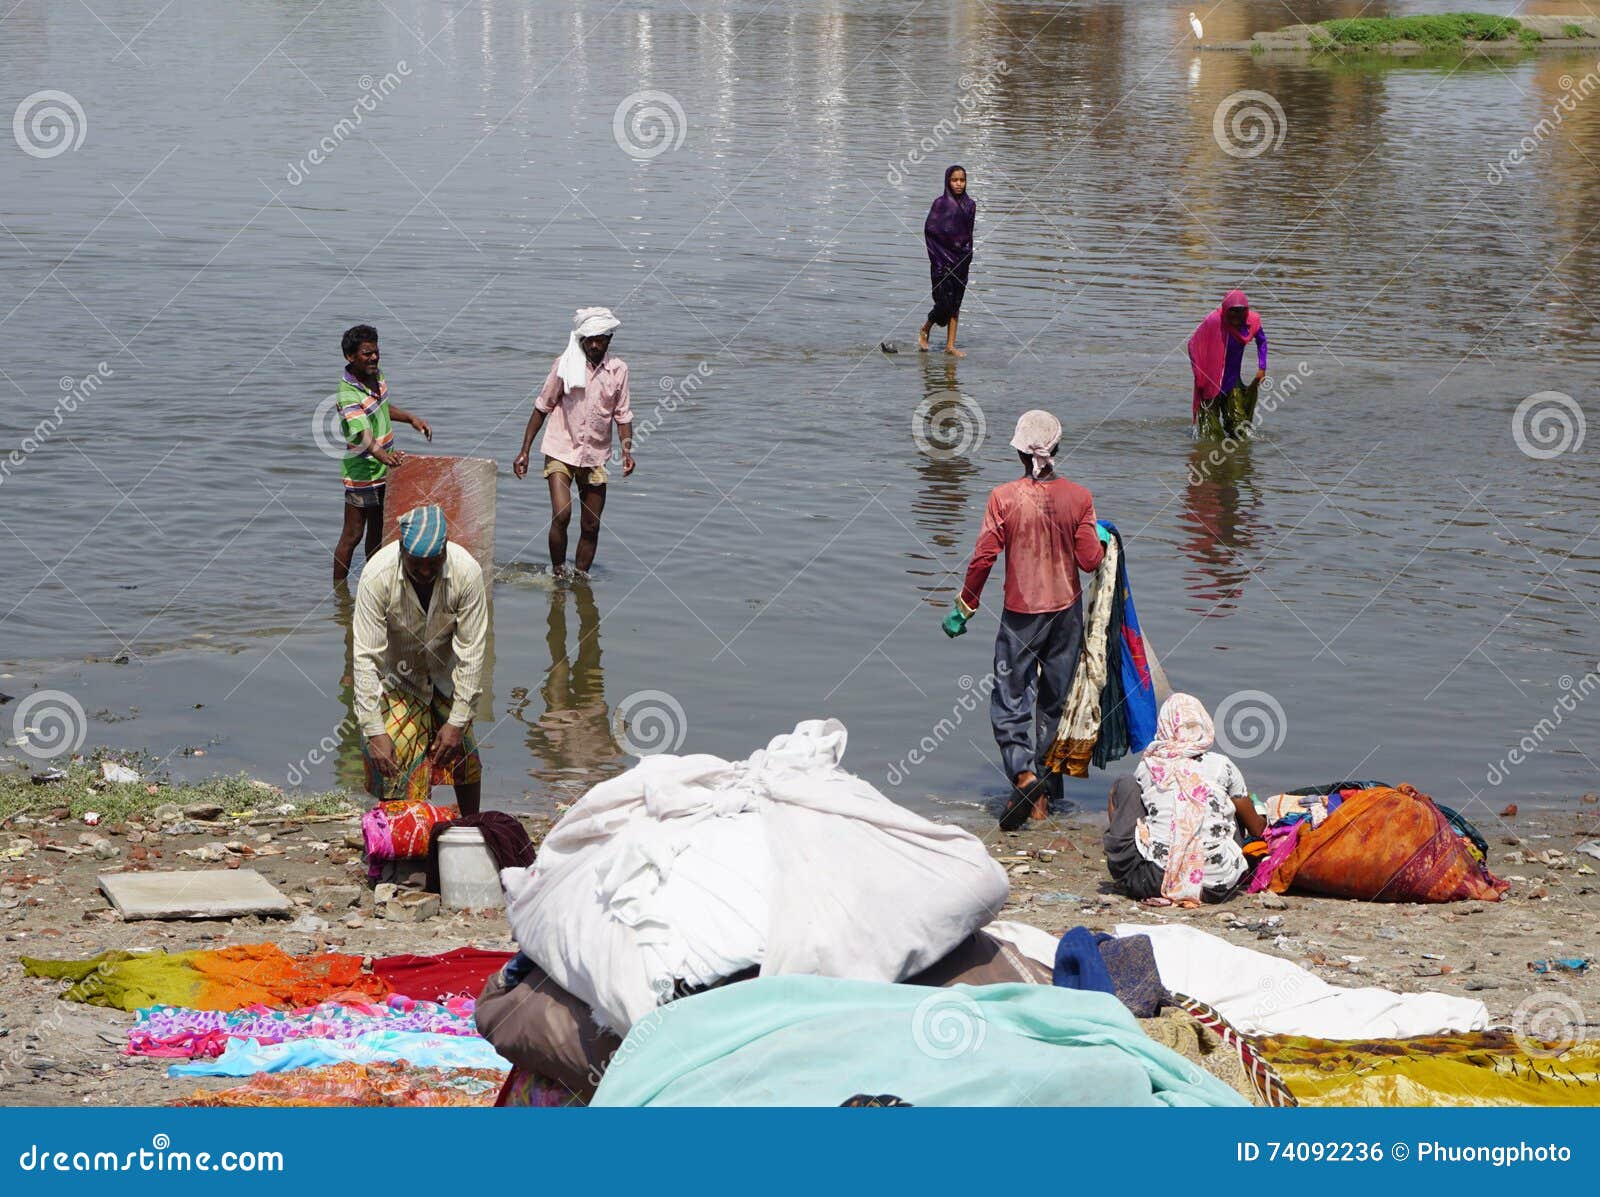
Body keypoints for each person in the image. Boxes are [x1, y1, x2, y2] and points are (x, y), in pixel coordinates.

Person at [942, 410, 1108, 828]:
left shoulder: (1004, 497)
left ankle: (1024, 775)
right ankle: (1044, 800)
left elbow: (983, 557)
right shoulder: (1080, 497)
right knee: (1054, 702)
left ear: (1020, 453)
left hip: (1020, 616)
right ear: (1057, 450)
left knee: (1010, 697)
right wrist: (1101, 537)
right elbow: (1091, 561)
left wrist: (965, 607)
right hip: (1065, 614)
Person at [353, 504, 488, 815]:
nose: (426, 573)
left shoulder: (466, 573)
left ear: (445, 549)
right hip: (399, 678)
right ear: (401, 550)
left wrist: (456, 723)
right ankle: (402, 834)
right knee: (395, 757)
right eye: (417, 565)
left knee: (464, 754)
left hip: (445, 675)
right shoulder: (377, 576)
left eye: (433, 564)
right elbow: (365, 659)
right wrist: (374, 730)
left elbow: (472, 652)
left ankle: (472, 825)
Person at [1103, 692, 1267, 907]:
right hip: (1218, 884)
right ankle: (1203, 869)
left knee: (1125, 784)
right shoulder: (1222, 765)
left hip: (1152, 881)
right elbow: (1257, 830)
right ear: (1204, 725)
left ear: (1164, 727)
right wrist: (1259, 813)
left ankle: (1136, 860)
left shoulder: (1149, 765)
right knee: (1227, 804)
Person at [513, 307, 635, 576]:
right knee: (562, 514)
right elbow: (542, 407)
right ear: (581, 340)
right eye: (589, 339)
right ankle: (558, 573)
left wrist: (627, 451)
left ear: (609, 340)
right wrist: (525, 451)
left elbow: (622, 414)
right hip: (561, 450)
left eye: (600, 339)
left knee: (591, 524)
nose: (594, 344)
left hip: (595, 456)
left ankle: (579, 578)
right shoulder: (565, 365)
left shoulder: (618, 370)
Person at [332, 324, 433, 582]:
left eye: (376, 352)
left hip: (384, 470)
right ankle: (338, 593)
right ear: (350, 357)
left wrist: (410, 418)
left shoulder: (376, 376)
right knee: (352, 535)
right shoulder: (348, 393)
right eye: (367, 354)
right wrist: (381, 454)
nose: (374, 358)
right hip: (362, 473)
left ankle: (374, 583)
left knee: (378, 534)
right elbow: (364, 433)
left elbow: (382, 408)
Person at [1187, 290, 1267, 439]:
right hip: (1210, 381)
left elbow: (1262, 341)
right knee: (1212, 436)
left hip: (1232, 381)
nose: (1236, 316)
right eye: (1233, 312)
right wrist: (1200, 376)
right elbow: (1192, 345)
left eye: (1240, 312)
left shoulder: (1251, 323)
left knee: (1240, 428)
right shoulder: (1214, 321)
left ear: (1246, 311)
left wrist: (1262, 367)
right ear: (1225, 310)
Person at [918, 165, 976, 357]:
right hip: (941, 260)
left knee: (956, 302)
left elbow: (968, 233)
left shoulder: (970, 205)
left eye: (962, 180)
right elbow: (931, 230)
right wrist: (943, 251)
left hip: (962, 258)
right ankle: (925, 328)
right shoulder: (940, 204)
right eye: (954, 180)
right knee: (944, 302)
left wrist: (965, 252)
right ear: (947, 181)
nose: (959, 184)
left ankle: (950, 345)